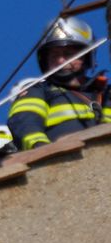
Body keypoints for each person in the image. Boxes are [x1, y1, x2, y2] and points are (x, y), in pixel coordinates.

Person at [7, 16, 109, 150]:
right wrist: (42, 149)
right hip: (62, 162)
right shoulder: (37, 91)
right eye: (54, 55)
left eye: (68, 54)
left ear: (86, 56)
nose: (61, 61)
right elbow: (25, 123)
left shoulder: (105, 93)